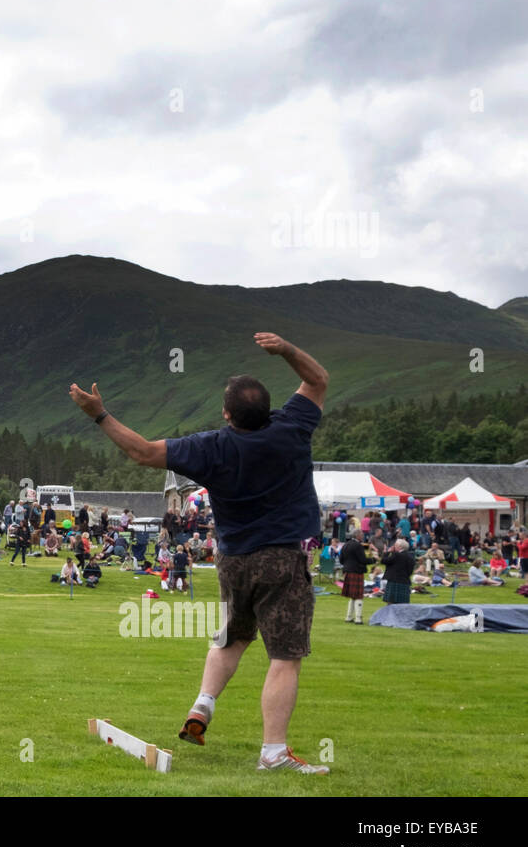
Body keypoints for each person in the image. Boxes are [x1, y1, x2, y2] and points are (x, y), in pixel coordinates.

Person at [71, 330, 330, 774]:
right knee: (284, 658)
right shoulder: (292, 427)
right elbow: (319, 379)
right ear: (268, 408)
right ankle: (272, 753)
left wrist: (100, 415)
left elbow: (142, 452)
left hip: (233, 559)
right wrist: (286, 350)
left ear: (227, 413)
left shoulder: (211, 446)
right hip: (284, 558)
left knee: (233, 636)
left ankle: (203, 705)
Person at [339, 530, 369, 625]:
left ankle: (348, 617)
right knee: (358, 595)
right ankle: (358, 619)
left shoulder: (346, 545)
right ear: (358, 536)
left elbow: (341, 560)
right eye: (362, 535)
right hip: (357, 571)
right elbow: (363, 560)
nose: (363, 536)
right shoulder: (358, 546)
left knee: (352, 596)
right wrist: (373, 560)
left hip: (348, 571)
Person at [381, 539, 415, 603]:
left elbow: (384, 561)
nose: (394, 546)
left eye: (395, 545)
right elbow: (410, 571)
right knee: (403, 604)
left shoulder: (396, 555)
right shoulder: (411, 557)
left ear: (399, 547)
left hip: (394, 581)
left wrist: (387, 552)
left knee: (391, 604)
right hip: (405, 581)